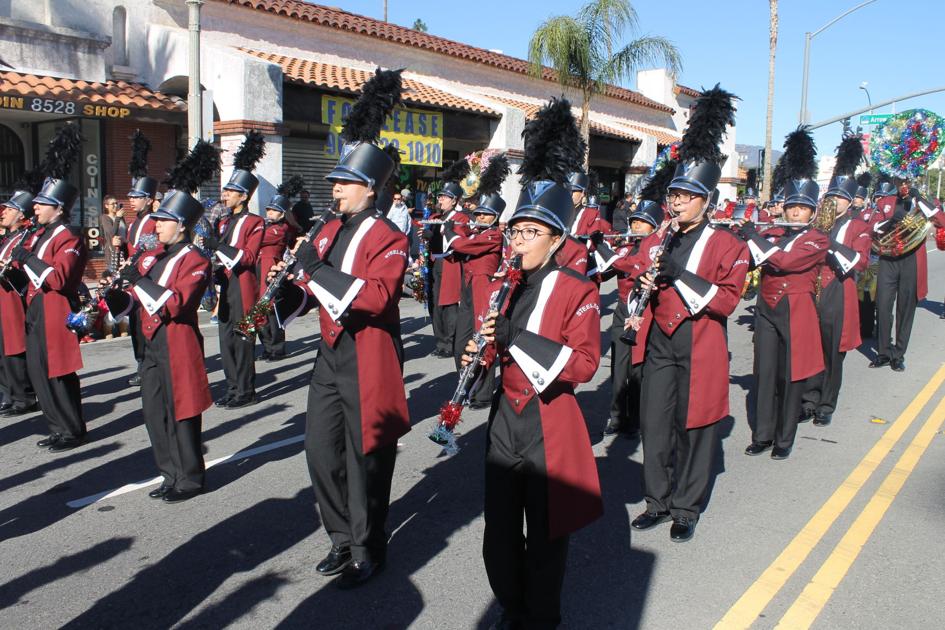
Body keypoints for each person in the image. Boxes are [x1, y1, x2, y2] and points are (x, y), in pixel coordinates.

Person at [462, 97, 601, 629]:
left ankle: (541, 616)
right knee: (498, 534)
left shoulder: (577, 288)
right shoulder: (504, 285)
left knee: (545, 536)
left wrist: (515, 337)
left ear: (557, 240)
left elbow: (585, 363)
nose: (518, 241)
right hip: (504, 420)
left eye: (531, 233)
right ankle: (514, 604)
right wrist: (480, 355)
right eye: (515, 231)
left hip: (547, 423)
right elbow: (499, 347)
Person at [273, 68, 410, 589]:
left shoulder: (389, 236)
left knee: (366, 456)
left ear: (369, 188)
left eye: (343, 182)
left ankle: (368, 546)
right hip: (328, 353)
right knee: (320, 449)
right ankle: (339, 535)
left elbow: (375, 298)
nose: (334, 187)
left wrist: (316, 268)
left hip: (368, 353)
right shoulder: (327, 226)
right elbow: (315, 291)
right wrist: (286, 295)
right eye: (334, 181)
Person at [630, 86, 746, 542]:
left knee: (694, 427)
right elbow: (642, 267)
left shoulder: (728, 245)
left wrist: (679, 276)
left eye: (686, 196)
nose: (676, 202)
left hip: (700, 341)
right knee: (655, 423)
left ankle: (686, 507)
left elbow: (726, 300)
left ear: (706, 202)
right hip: (660, 338)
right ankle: (656, 500)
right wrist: (646, 281)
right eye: (674, 194)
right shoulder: (660, 238)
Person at [104, 146, 216, 502]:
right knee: (154, 412)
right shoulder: (153, 255)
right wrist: (113, 295)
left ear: (181, 225)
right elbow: (135, 300)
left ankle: (190, 477)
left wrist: (138, 280)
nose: (156, 226)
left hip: (176, 341)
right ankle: (169, 473)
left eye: (164, 221)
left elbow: (177, 304)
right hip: (151, 344)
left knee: (181, 411)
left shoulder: (196, 259)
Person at [739, 128, 829, 459]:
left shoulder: (817, 239)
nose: (795, 213)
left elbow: (786, 261)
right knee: (764, 372)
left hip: (796, 309)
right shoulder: (774, 232)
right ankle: (762, 434)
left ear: (812, 213)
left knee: (790, 376)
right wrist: (740, 236)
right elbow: (752, 259)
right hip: (767, 306)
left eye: (802, 209)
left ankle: (784, 439)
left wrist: (754, 238)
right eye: (791, 207)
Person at [12, 124, 88, 452]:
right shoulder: (40, 235)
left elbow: (59, 278)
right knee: (39, 371)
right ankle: (56, 426)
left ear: (58, 207)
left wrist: (27, 257)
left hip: (56, 308)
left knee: (58, 371)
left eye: (42, 204)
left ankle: (72, 429)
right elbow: (28, 274)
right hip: (35, 307)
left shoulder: (69, 236)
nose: (35, 209)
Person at [800, 137, 872, 426]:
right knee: (810, 347)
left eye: (841, 198)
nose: (835, 202)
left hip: (838, 292)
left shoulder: (858, 226)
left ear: (850, 200)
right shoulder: (815, 223)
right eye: (832, 197)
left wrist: (828, 242)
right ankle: (808, 400)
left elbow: (861, 261)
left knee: (832, 352)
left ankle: (826, 404)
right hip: (812, 290)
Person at [204, 131, 266, 408]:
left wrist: (218, 246)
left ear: (242, 196)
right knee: (225, 340)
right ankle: (231, 387)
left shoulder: (255, 221)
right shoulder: (225, 221)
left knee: (242, 341)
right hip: (227, 288)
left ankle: (246, 391)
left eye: (229, 191)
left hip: (244, 289)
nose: (224, 195)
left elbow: (248, 257)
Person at [444, 152, 509, 409]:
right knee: (461, 341)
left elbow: (463, 246)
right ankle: (467, 381)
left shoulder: (493, 235)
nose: (479, 218)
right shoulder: (474, 231)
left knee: (483, 339)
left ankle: (482, 393)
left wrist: (450, 230)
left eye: (485, 215)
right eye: (479, 214)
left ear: (494, 217)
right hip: (468, 288)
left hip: (484, 287)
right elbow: (462, 240)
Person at [599, 196, 664, 437]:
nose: (636, 226)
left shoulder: (656, 246)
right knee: (619, 366)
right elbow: (606, 271)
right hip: (622, 309)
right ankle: (617, 417)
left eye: (642, 222)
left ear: (654, 226)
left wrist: (602, 248)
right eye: (635, 221)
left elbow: (632, 265)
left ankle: (636, 419)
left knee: (638, 368)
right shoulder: (625, 245)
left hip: (644, 311)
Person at [869, 176, 945, 371]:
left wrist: (920, 200)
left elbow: (941, 221)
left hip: (911, 259)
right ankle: (884, 352)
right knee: (883, 305)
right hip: (888, 257)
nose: (904, 185)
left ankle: (898, 354)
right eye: (900, 181)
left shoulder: (923, 200)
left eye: (908, 181)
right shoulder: (886, 201)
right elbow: (872, 226)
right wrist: (890, 221)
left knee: (906, 307)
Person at [424, 162, 471, 358]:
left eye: (444, 197)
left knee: (449, 304)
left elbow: (461, 239)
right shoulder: (435, 216)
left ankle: (450, 343)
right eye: (440, 196)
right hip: (435, 263)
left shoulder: (461, 217)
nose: (440, 199)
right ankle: (440, 341)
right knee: (435, 303)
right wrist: (427, 234)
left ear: (453, 201)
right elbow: (428, 237)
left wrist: (447, 230)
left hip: (450, 263)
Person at [0, 190, 38, 417]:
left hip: (13, 298)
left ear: (21, 215)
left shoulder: (24, 238)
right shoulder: (8, 238)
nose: (4, 212)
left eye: (11, 209)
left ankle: (23, 397)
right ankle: (9, 394)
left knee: (14, 347)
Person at [124, 156, 160, 387]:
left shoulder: (151, 221)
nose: (131, 200)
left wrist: (132, 266)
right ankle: (141, 361)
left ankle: (146, 363)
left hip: (144, 277)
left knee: (144, 323)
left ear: (148, 200)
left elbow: (146, 250)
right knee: (134, 324)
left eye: (136, 197)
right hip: (131, 278)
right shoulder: (132, 223)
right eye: (131, 196)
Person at [256, 191, 297, 362]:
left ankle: (278, 348)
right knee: (258, 308)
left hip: (271, 267)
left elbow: (260, 238)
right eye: (268, 209)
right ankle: (266, 346)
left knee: (271, 307)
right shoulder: (266, 225)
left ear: (282, 213)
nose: (269, 213)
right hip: (258, 267)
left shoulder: (281, 229)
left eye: (274, 210)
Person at [100, 195, 126, 272]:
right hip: (113, 254)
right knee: (114, 278)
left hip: (123, 252)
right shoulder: (105, 218)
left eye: (116, 203)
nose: (115, 205)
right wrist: (117, 218)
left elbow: (125, 233)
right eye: (113, 204)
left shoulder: (121, 217)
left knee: (122, 278)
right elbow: (111, 233)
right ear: (106, 206)